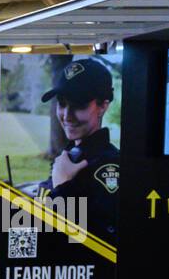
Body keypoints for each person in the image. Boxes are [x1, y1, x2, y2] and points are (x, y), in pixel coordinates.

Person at [37, 57, 119, 238]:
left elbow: (100, 245)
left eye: (78, 105)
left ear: (103, 106)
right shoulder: (68, 158)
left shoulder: (111, 167)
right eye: (62, 103)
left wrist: (63, 187)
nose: (67, 116)